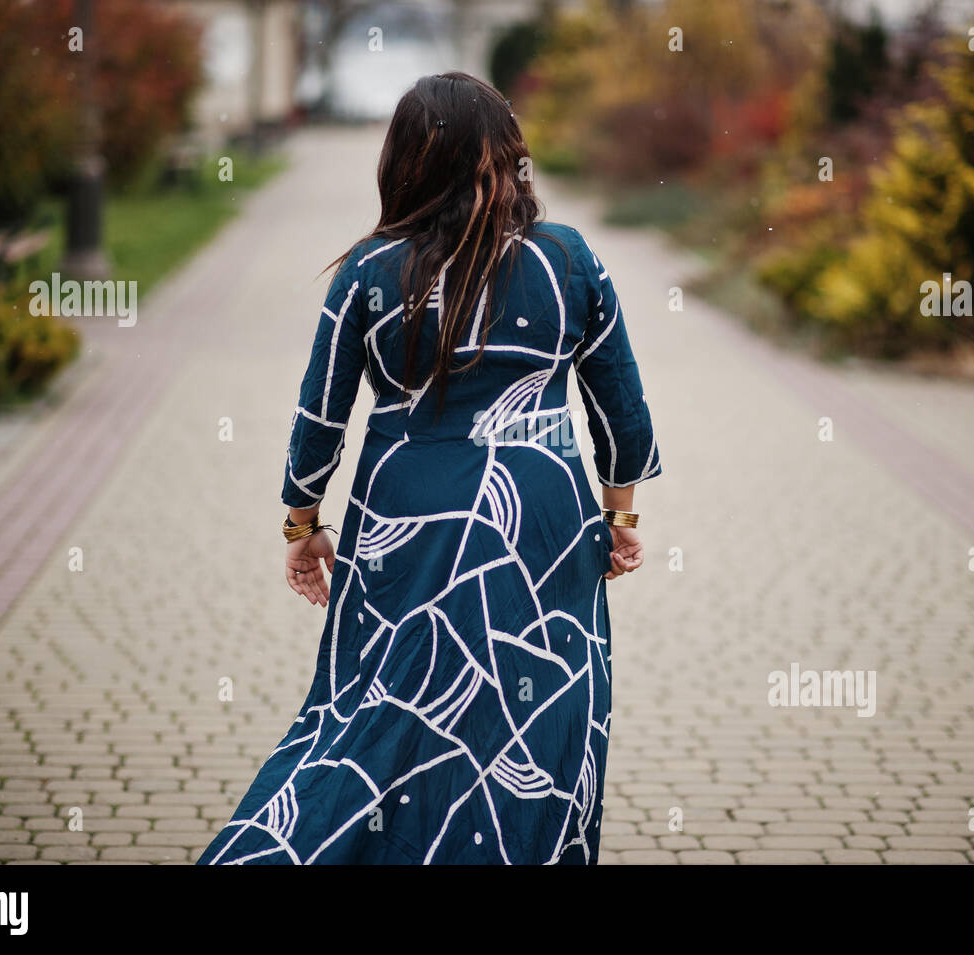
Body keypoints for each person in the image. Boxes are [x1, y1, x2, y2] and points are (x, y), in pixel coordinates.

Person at [199, 72, 660, 865]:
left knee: (371, 714)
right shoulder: (569, 259)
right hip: (545, 521)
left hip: (402, 518)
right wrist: (618, 517)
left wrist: (302, 524)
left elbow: (321, 416)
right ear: (511, 155)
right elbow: (621, 409)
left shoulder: (370, 272)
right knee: (541, 724)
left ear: (404, 163)